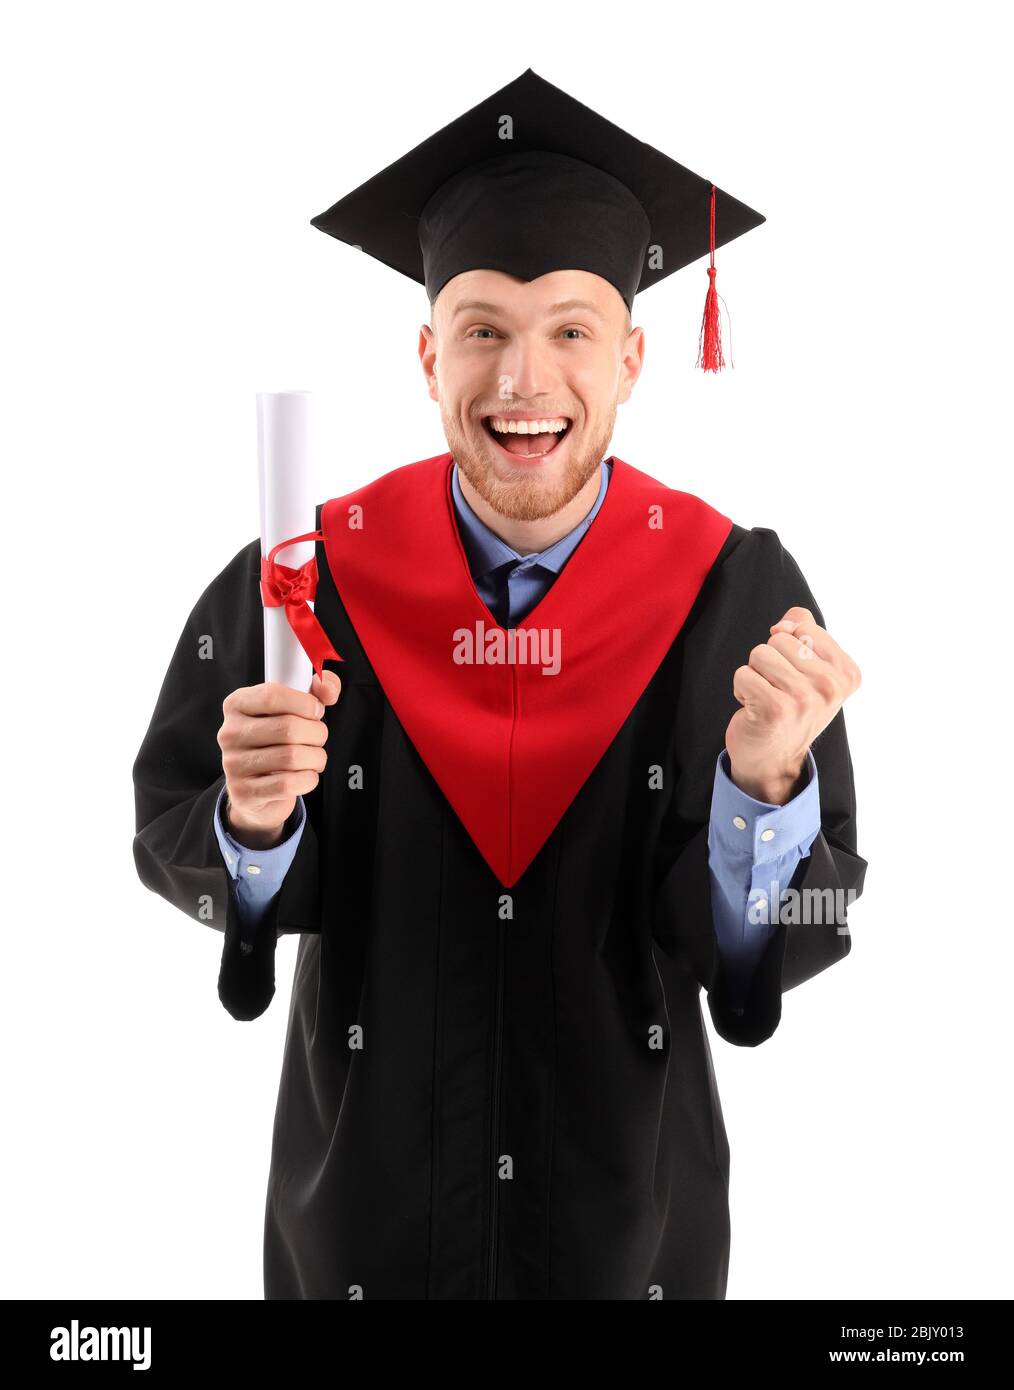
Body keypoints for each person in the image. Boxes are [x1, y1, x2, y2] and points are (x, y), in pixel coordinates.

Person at [132, 69, 867, 1300]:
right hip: (362, 1236)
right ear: (428, 356)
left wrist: (767, 787)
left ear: (633, 359)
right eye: (483, 330)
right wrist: (251, 825)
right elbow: (182, 847)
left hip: (631, 1240)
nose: (524, 382)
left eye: (572, 331)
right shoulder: (304, 581)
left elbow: (776, 946)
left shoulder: (731, 593)